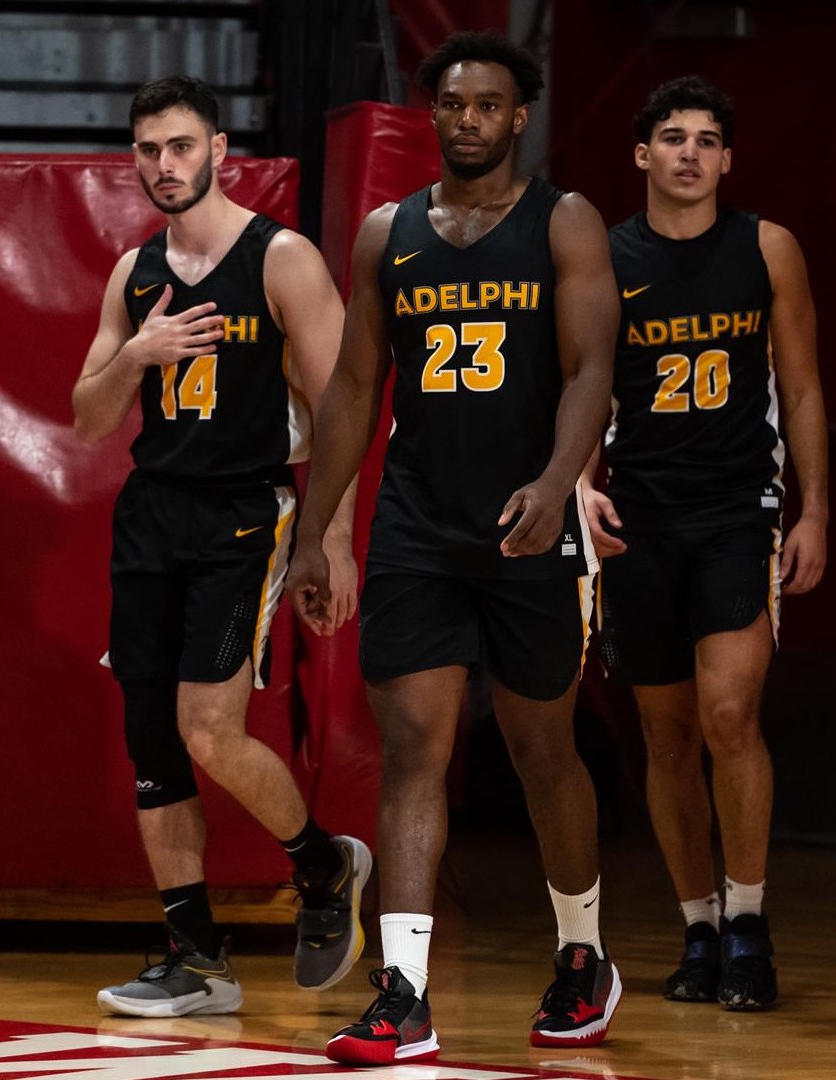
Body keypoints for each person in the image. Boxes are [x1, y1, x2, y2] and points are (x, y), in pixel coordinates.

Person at [283, 30, 619, 1067]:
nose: (468, 120)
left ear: (520, 117)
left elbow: (591, 369)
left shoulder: (564, 221)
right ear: (432, 114)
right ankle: (405, 993)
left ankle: (581, 954)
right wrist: (312, 536)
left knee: (540, 750)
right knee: (412, 752)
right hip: (420, 529)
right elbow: (351, 389)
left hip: (526, 524)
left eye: (487, 105)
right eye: (453, 104)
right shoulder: (386, 234)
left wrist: (556, 485)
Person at [70, 74, 370, 1017]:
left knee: (208, 728)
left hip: (245, 511)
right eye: (149, 150)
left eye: (181, 146)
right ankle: (196, 958)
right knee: (152, 741)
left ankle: (322, 867)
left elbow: (342, 411)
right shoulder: (133, 273)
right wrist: (137, 355)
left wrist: (329, 542)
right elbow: (87, 420)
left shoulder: (280, 258)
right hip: (151, 512)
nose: (165, 164)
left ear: (218, 151)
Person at [579, 75, 828, 1011]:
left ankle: (750, 923)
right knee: (666, 734)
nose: (690, 152)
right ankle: (699, 925)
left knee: (729, 715)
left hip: (736, 511)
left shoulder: (767, 249)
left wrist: (814, 511)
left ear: (727, 160)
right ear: (642, 154)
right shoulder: (602, 258)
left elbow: (800, 387)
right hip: (637, 516)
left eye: (707, 139)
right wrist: (578, 484)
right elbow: (582, 387)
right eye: (674, 137)